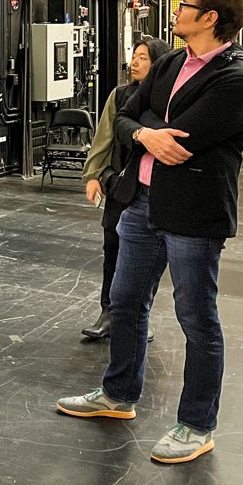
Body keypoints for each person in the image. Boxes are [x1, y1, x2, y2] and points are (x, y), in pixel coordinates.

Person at [57, 0, 243, 464]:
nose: (176, 10)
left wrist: (147, 130)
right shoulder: (169, 61)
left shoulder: (239, 80)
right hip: (142, 203)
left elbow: (185, 139)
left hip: (193, 215)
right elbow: (127, 114)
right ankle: (119, 395)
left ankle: (196, 424)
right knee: (125, 303)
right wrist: (147, 133)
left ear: (210, 18)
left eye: (186, 6)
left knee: (196, 318)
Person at [80, 37, 171, 339]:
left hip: (156, 191)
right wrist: (94, 175)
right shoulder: (120, 97)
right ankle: (108, 312)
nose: (134, 62)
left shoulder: (168, 99)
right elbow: (103, 138)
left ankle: (135, 315)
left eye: (143, 57)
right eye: (134, 56)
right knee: (112, 249)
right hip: (121, 187)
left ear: (157, 63)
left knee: (146, 258)